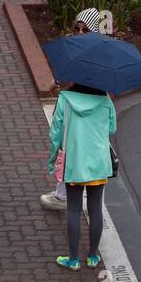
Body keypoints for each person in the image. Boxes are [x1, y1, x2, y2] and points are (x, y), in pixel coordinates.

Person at [47, 78, 116, 271]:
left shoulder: (65, 100)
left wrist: (53, 160)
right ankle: (93, 256)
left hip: (74, 163)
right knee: (95, 210)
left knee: (74, 210)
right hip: (98, 163)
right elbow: (112, 128)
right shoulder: (105, 100)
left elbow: (56, 135)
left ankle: (73, 258)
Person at [41, 8, 103, 212]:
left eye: (85, 30)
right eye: (77, 28)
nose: (79, 33)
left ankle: (65, 195)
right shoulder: (82, 46)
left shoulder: (94, 51)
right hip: (81, 108)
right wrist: (57, 82)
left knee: (71, 148)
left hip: (84, 110)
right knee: (68, 148)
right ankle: (64, 192)